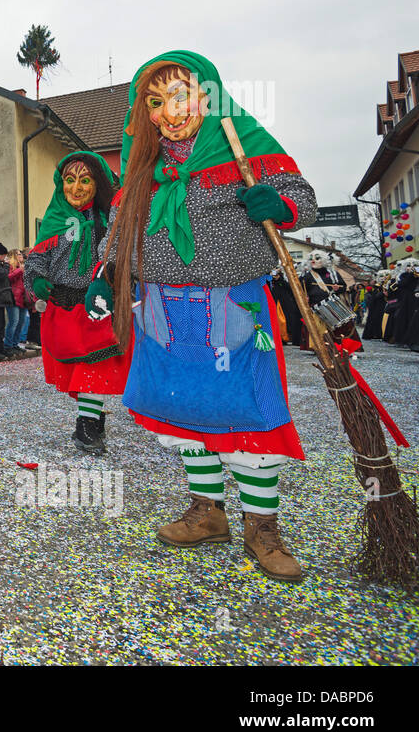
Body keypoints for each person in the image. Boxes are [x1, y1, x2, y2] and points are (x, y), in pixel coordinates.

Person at [93, 51, 316, 581]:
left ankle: (262, 528)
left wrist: (278, 206)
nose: (169, 111)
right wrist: (106, 271)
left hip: (233, 305)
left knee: (246, 411)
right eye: (154, 101)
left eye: (180, 94)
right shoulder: (143, 168)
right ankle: (207, 513)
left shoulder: (242, 143)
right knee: (185, 407)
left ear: (208, 94)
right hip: (162, 309)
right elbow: (122, 227)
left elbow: (301, 200)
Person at [24, 151, 129, 454]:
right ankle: (92, 418)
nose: (77, 188)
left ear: (98, 184)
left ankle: (85, 424)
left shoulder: (109, 219)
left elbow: (118, 256)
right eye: (70, 180)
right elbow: (37, 261)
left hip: (96, 307)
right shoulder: (55, 218)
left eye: (85, 180)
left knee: (91, 366)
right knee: (77, 369)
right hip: (63, 306)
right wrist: (37, 281)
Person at [5, 250, 30, 352]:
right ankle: (8, 345)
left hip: (23, 298)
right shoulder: (9, 266)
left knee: (21, 322)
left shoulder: (22, 266)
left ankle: (15, 344)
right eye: (19, 254)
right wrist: (20, 270)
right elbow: (8, 277)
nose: (21, 255)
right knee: (13, 322)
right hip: (13, 298)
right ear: (13, 256)